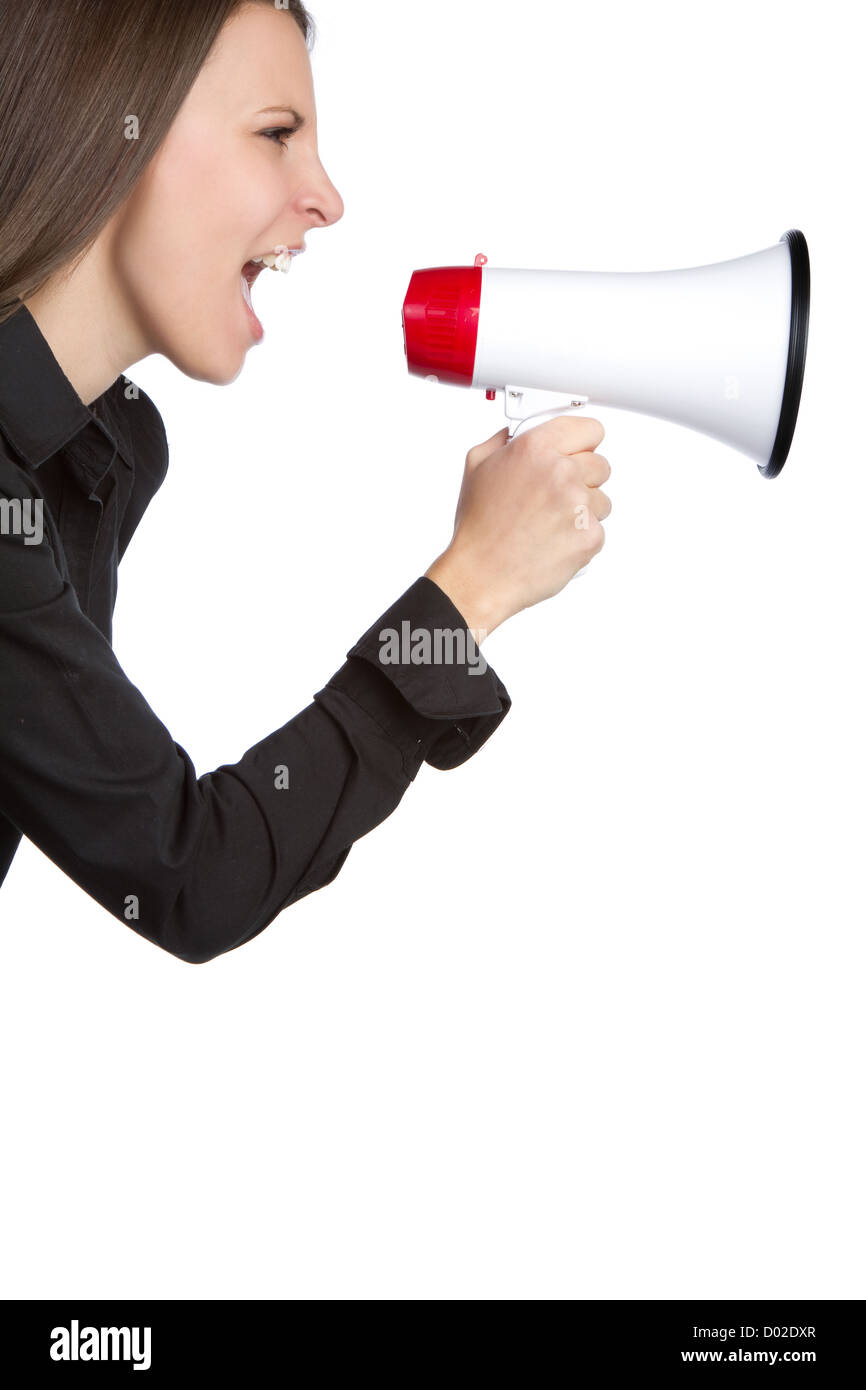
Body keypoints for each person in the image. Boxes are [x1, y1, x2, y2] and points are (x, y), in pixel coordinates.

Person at [0, 0, 611, 963]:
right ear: (118, 122)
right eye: (276, 134)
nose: (328, 198)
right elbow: (185, 874)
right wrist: (468, 592)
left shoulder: (89, 458)